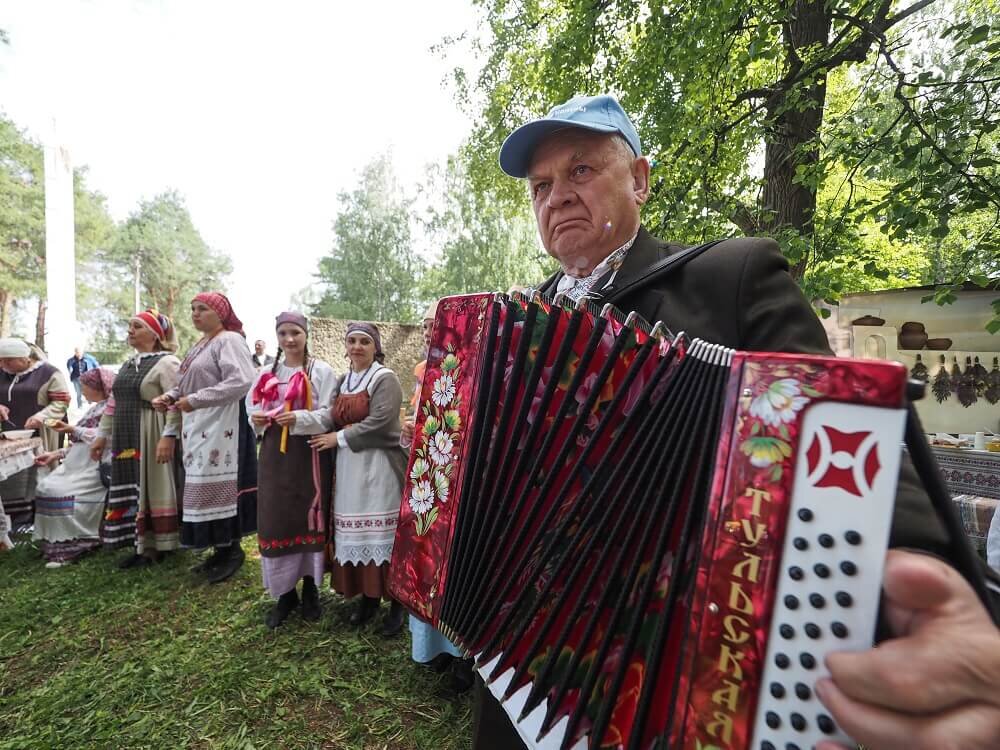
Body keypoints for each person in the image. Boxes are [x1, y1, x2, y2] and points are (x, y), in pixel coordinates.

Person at [467, 94, 1000, 749]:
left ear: (639, 179)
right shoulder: (514, 325)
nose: (558, 197)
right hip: (522, 659)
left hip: (677, 658)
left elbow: (842, 440)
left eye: (581, 171)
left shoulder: (730, 276)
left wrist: (918, 572)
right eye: (541, 185)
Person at [152, 292, 257, 584]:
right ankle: (219, 549)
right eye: (193, 309)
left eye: (203, 309)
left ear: (221, 314)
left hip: (224, 426)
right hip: (200, 424)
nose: (196, 314)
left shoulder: (230, 340)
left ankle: (231, 549)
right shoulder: (201, 345)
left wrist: (195, 399)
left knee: (221, 487)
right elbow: (188, 383)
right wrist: (171, 396)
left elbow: (241, 381)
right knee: (202, 487)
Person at [310, 322, 407, 637]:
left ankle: (397, 603)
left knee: (385, 535)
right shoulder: (344, 380)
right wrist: (298, 422)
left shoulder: (385, 378)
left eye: (364, 341)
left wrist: (336, 438)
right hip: (350, 469)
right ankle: (368, 598)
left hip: (379, 466)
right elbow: (330, 414)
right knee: (358, 533)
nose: (357, 347)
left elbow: (382, 422)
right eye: (351, 341)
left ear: (375, 347)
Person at [401, 302, 474, 692]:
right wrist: (411, 432)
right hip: (426, 479)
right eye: (427, 325)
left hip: (457, 483)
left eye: (438, 324)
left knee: (454, 563)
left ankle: (463, 658)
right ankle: (433, 648)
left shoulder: (469, 365)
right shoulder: (421, 371)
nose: (431, 330)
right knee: (425, 560)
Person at [248, 312, 336, 628]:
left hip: (308, 454)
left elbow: (329, 415)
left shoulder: (321, 371)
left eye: (295, 333)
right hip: (274, 455)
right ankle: (285, 595)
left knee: (308, 514)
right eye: (283, 333)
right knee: (275, 517)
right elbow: (253, 407)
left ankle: (311, 588)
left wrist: (299, 419)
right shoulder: (264, 373)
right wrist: (257, 419)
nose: (289, 339)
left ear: (305, 334)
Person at [90, 310, 182, 565]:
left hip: (152, 429)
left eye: (137, 326)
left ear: (155, 334)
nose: (130, 331)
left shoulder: (167, 363)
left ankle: (158, 545)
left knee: (153, 483)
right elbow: (113, 402)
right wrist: (101, 436)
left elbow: (175, 401)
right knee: (132, 480)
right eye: (130, 326)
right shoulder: (129, 364)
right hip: (127, 431)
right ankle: (139, 542)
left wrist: (169, 436)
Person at [32, 367, 115, 567]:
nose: (83, 391)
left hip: (95, 467)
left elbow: (105, 438)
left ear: (98, 388)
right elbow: (79, 444)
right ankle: (54, 545)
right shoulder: (95, 408)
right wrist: (55, 454)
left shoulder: (113, 410)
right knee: (45, 485)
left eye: (86, 387)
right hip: (75, 466)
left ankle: (76, 544)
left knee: (57, 491)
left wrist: (71, 428)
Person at [0, 337, 71, 524]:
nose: (3, 364)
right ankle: (17, 517)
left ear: (24, 358)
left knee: (42, 468)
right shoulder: (3, 372)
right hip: (11, 431)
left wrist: (42, 416)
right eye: (1, 361)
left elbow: (61, 401)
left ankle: (44, 515)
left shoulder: (49, 373)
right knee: (14, 472)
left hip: (45, 431)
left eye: (8, 360)